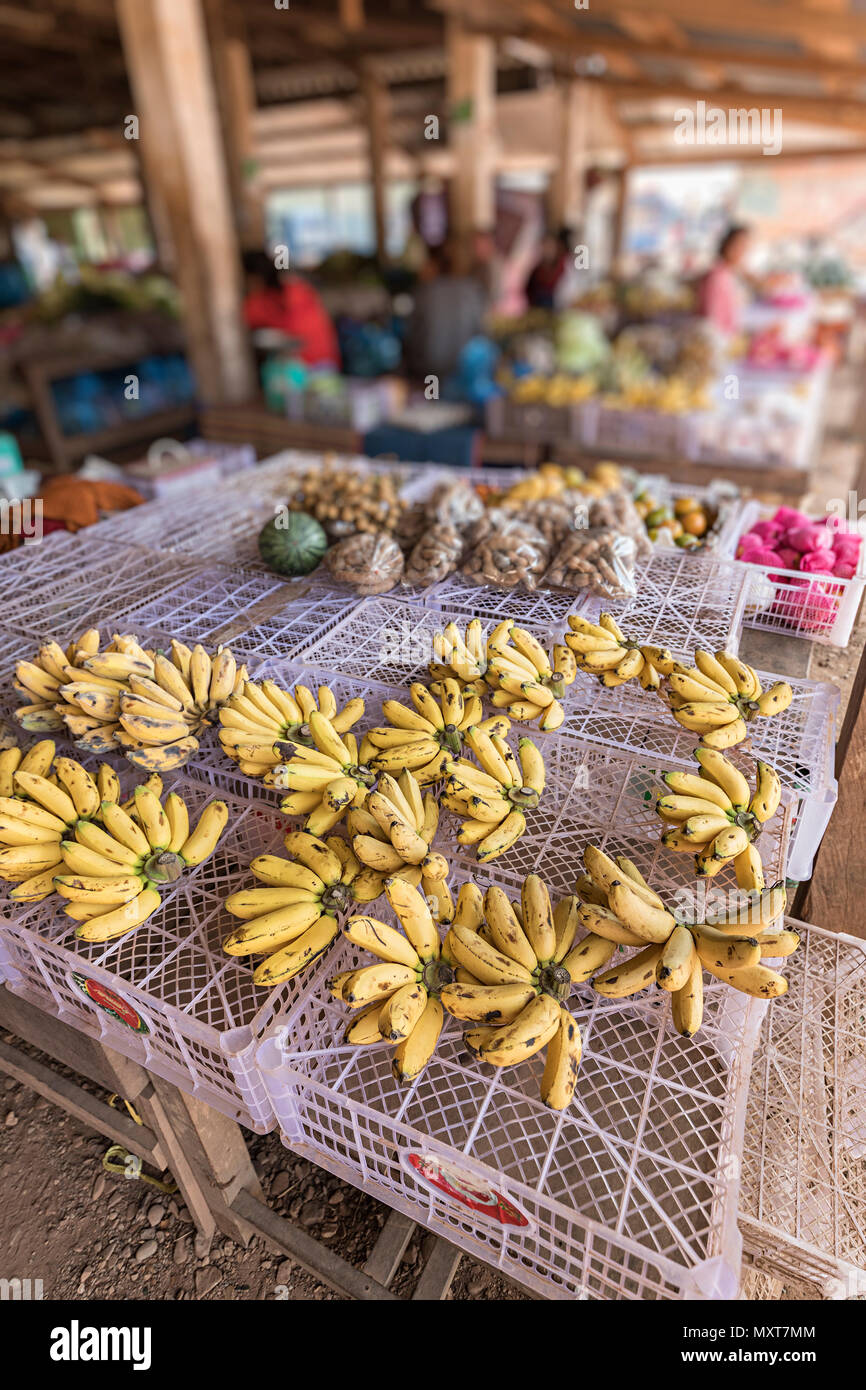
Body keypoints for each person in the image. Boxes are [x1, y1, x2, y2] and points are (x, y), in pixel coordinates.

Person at [403, 238, 488, 381]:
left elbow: (411, 334)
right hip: (464, 369)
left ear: (433, 266)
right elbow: (481, 331)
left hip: (431, 371)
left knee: (432, 395)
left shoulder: (424, 292)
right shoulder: (473, 290)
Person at [242, 250, 339, 367]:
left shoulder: (268, 300)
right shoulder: (299, 288)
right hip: (327, 361)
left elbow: (246, 317)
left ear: (256, 278)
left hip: (306, 367)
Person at [697, 225, 752, 337]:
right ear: (726, 244)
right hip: (716, 340)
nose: (741, 252)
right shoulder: (717, 276)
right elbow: (713, 321)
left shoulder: (729, 272)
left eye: (744, 247)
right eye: (737, 246)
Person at [524, 228, 571, 310]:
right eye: (545, 246)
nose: (547, 250)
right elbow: (528, 291)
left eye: (550, 247)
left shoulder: (563, 267)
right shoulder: (536, 269)